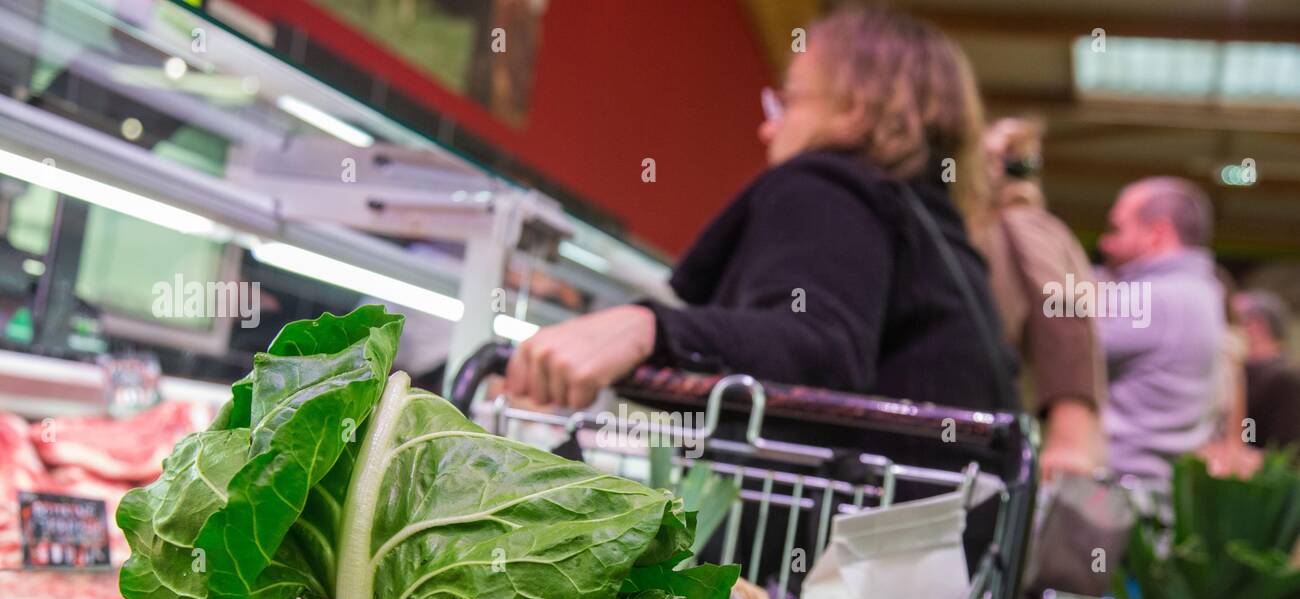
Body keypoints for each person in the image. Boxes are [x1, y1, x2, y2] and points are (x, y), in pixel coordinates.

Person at [504, 6, 1017, 443]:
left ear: (854, 109)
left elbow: (820, 346)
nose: (767, 126)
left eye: (788, 101)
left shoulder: (827, 186)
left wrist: (648, 328)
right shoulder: (937, 234)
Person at [973, 117, 1107, 480]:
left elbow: (1061, 310)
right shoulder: (1026, 225)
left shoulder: (1020, 225)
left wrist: (1070, 432)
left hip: (1030, 444)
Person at [1094, 177, 1226, 481]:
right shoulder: (1203, 290)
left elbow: (1063, 355)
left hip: (1114, 492)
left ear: (1157, 232)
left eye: (1117, 229)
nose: (1105, 242)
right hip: (1160, 486)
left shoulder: (1153, 298)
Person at [1235, 289, 1300, 449]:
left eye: (1233, 321)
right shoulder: (1245, 371)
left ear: (1257, 325)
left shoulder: (1284, 377)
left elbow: (1287, 451)